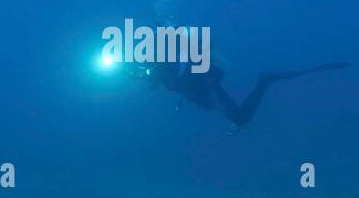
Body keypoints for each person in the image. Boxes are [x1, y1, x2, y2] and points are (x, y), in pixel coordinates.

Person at [133, 59, 349, 132]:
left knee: (240, 117)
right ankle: (264, 81)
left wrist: (209, 84)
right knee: (238, 118)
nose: (146, 75)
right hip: (206, 94)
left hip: (210, 88)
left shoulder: (168, 69)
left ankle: (264, 81)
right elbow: (160, 81)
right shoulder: (165, 74)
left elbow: (190, 74)